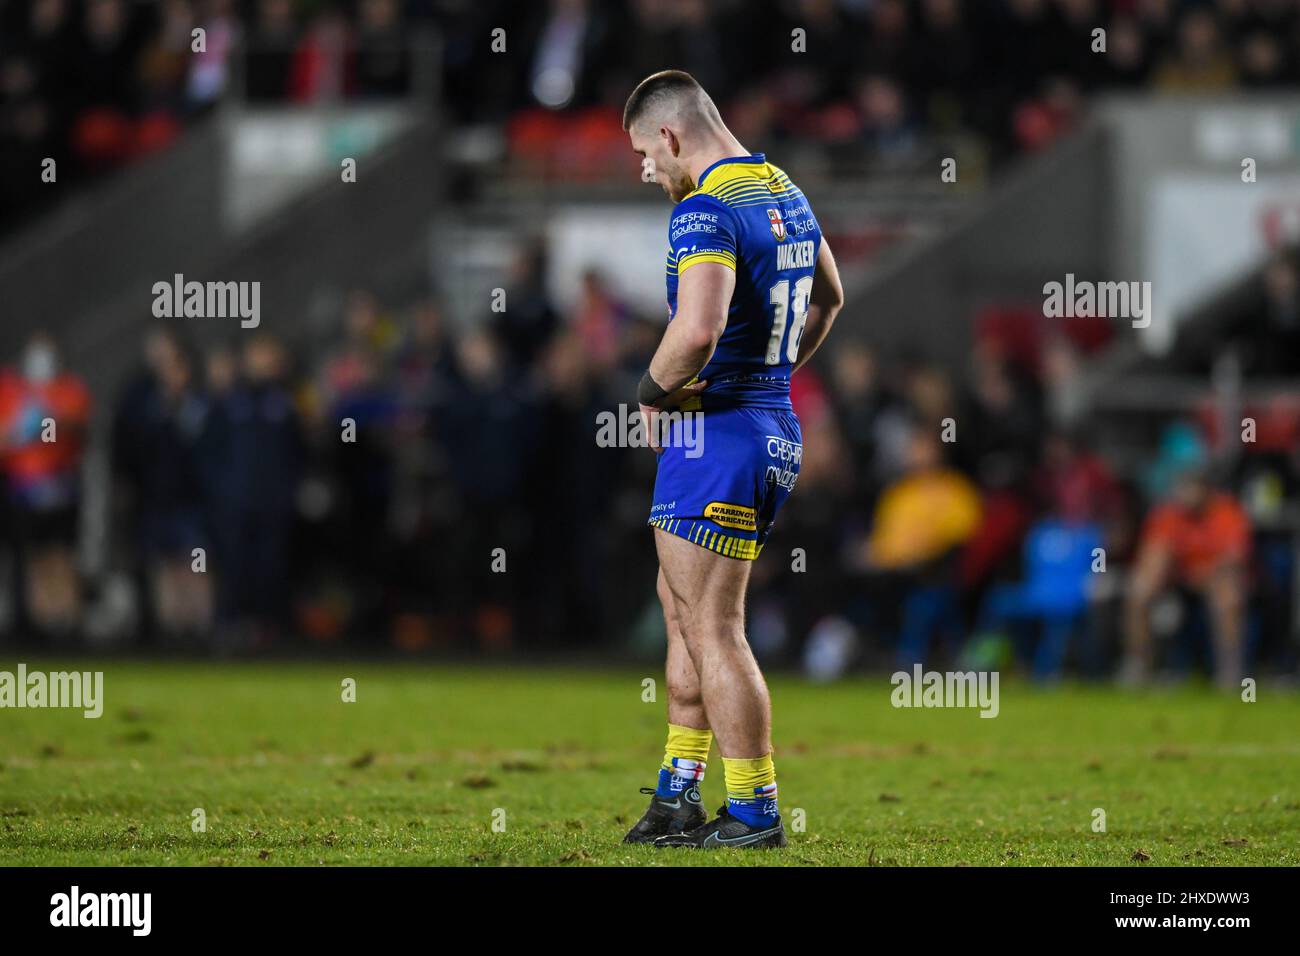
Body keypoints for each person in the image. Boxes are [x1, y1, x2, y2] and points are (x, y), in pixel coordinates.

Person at [620, 69, 843, 849]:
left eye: (646, 152)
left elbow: (699, 329)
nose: (646, 168)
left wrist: (647, 395)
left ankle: (754, 810)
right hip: (759, 425)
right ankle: (678, 794)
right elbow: (829, 297)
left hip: (716, 433)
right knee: (684, 615)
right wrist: (772, 380)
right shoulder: (781, 186)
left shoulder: (705, 210)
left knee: (714, 628)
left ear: (673, 136)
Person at [1121, 466, 1251, 689]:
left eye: (1191, 489)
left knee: (1228, 596)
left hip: (1214, 580)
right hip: (1176, 579)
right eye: (1181, 489)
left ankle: (1230, 671)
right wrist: (1158, 574)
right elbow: (1152, 555)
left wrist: (1204, 573)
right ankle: (1139, 665)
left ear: (1206, 490)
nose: (1185, 495)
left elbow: (1234, 560)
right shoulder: (1168, 515)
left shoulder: (1227, 513)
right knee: (1138, 588)